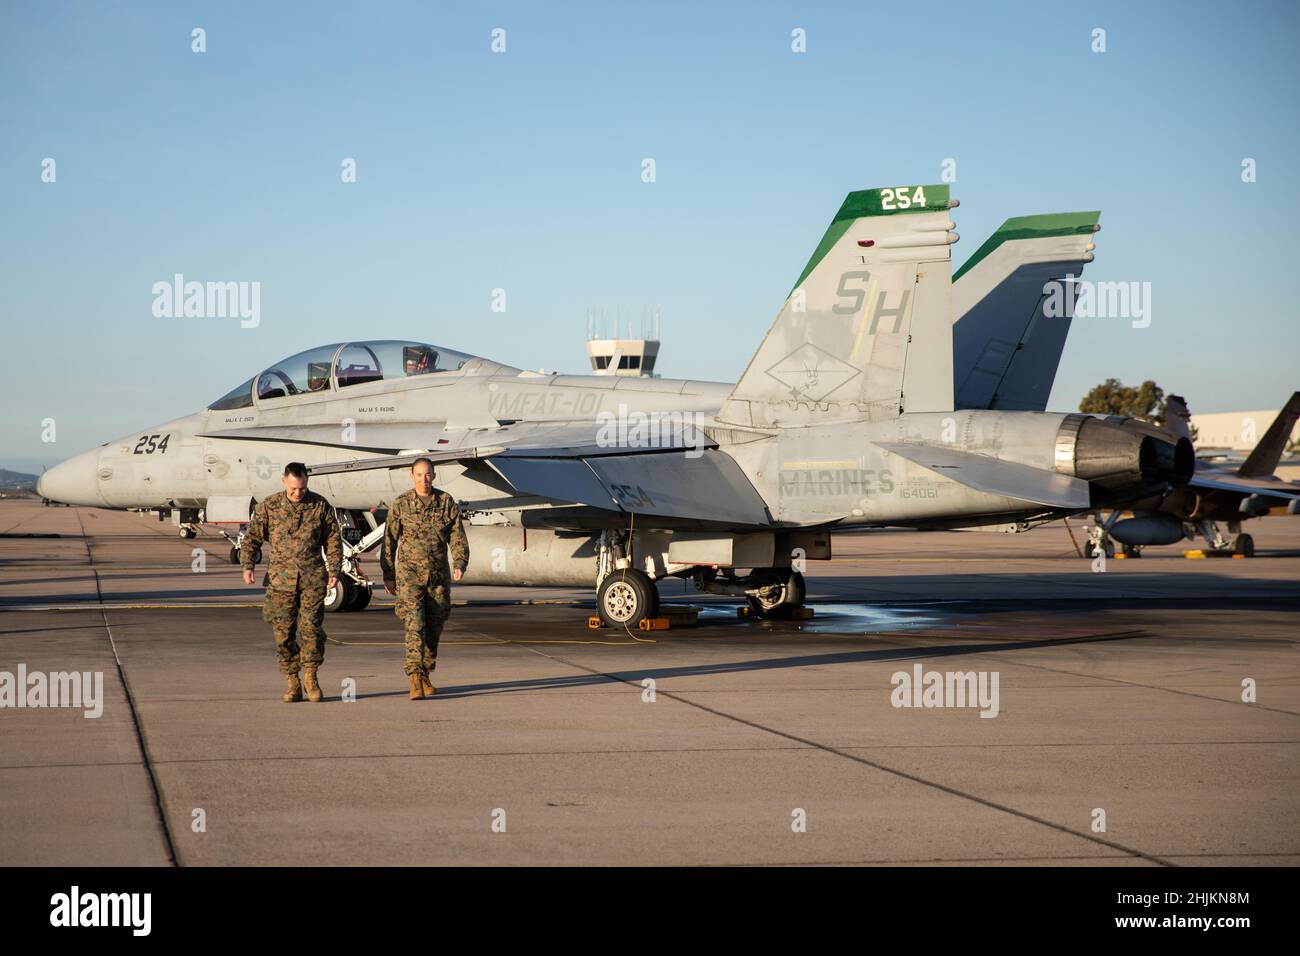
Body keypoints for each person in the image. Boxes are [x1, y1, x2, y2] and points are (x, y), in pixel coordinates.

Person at [241, 462, 343, 703]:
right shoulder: (270, 505)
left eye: (302, 488)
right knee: (283, 634)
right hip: (280, 581)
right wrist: (248, 566)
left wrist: (334, 570)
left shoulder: (320, 505)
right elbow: (252, 537)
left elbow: (333, 540)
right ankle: (292, 681)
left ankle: (311, 677)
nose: (298, 493)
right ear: (284, 482)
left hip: (312, 579)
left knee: (312, 631)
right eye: (293, 489)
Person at [381, 458, 469, 699]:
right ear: (412, 476)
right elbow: (389, 541)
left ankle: (425, 673)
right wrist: (388, 574)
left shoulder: (446, 502)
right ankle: (413, 677)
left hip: (438, 577)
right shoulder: (401, 504)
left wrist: (460, 562)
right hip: (410, 576)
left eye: (428, 474)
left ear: (434, 475)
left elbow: (457, 536)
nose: (424, 480)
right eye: (419, 475)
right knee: (414, 625)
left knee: (434, 628)